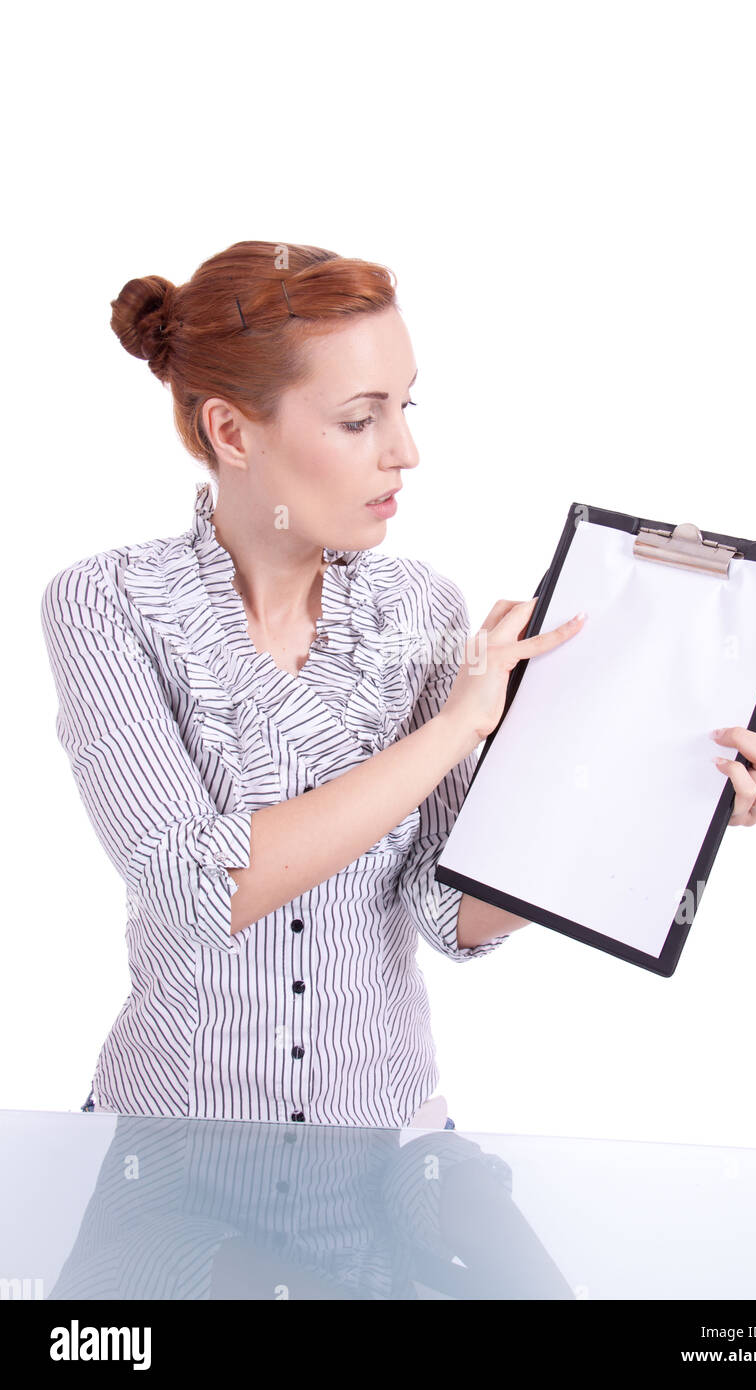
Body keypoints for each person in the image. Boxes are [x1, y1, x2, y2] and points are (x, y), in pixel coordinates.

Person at [39, 239, 589, 1128]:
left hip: (385, 1142)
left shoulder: (420, 606)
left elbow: (450, 914)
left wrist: (658, 806)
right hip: (171, 1143)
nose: (406, 451)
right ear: (230, 430)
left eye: (405, 407)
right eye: (359, 419)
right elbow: (194, 890)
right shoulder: (108, 604)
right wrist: (452, 730)